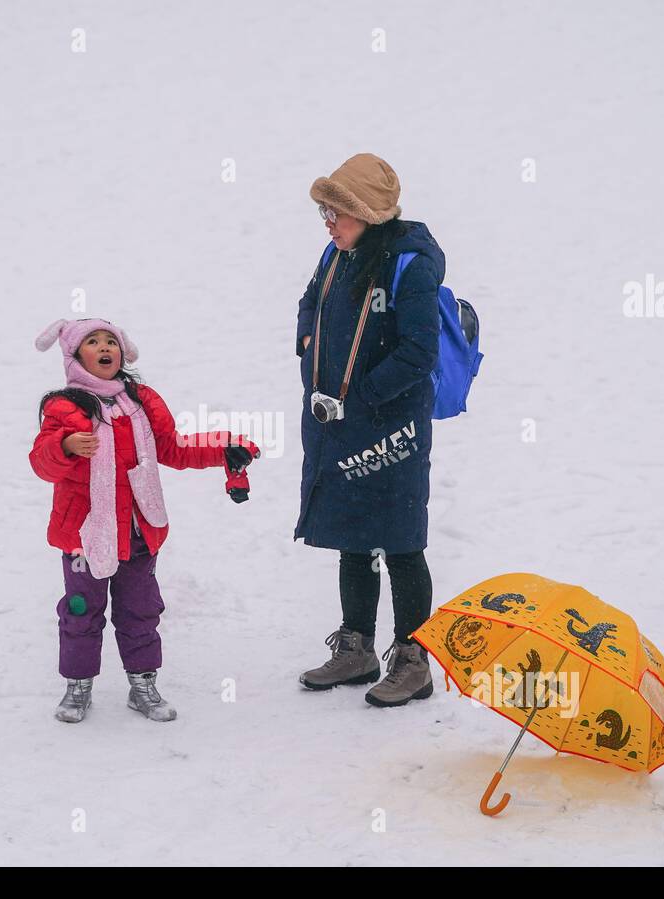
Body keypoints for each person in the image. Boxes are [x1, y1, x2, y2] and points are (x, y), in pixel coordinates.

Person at [30, 318, 257, 723]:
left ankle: (142, 684)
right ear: (74, 355)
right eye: (93, 342)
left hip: (137, 530)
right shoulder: (63, 407)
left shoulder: (142, 401)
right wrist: (64, 445)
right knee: (82, 609)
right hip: (86, 535)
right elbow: (42, 462)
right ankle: (78, 685)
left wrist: (225, 446)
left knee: (140, 609)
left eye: (111, 341)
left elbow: (174, 447)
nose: (105, 348)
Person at [294, 153, 446, 707]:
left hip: (393, 427)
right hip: (339, 422)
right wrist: (307, 347)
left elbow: (419, 351)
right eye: (325, 213)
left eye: (338, 212)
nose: (329, 223)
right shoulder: (338, 256)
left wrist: (362, 397)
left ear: (369, 214)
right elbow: (310, 306)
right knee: (352, 535)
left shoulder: (411, 264)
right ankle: (356, 648)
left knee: (402, 541)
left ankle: (414, 659)